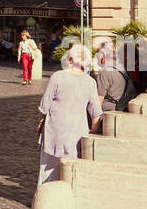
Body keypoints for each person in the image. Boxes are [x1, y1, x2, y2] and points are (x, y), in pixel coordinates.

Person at [36, 43, 101, 186]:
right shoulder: (90, 82)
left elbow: (44, 106)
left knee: (49, 166)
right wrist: (92, 131)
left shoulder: (58, 77)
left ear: (70, 60)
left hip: (55, 130)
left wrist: (40, 122)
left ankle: (46, 195)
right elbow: (96, 113)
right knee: (72, 167)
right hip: (77, 131)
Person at [94, 36, 136, 119]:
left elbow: (99, 101)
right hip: (123, 108)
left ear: (102, 56)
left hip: (108, 113)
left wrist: (94, 125)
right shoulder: (123, 68)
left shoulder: (104, 71)